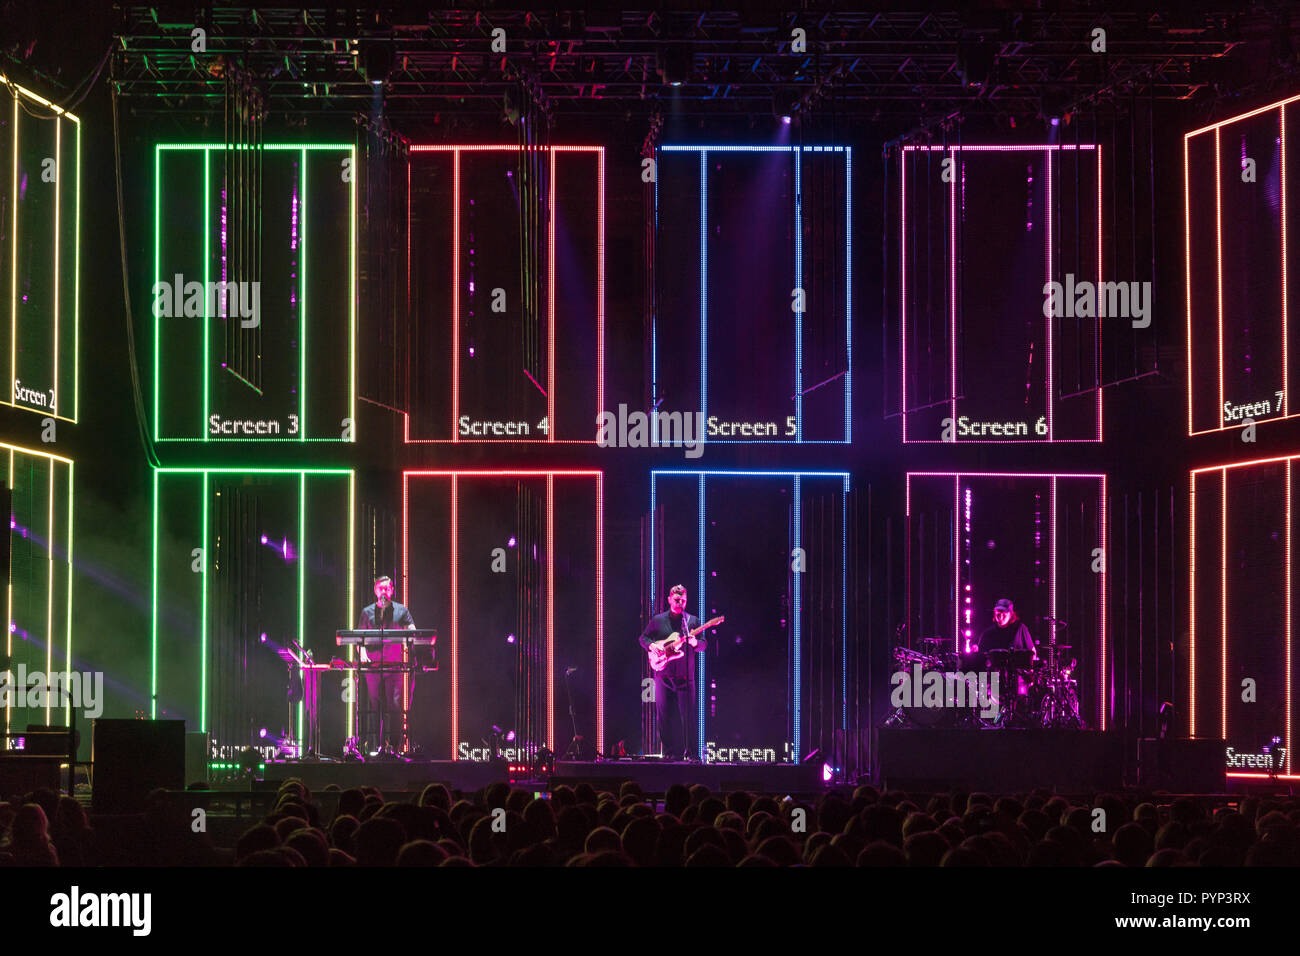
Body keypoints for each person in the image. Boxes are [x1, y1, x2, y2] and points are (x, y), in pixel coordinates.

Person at [638, 584, 707, 761]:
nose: (680, 603)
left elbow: (703, 644)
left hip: (686, 677)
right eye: (676, 600)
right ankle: (668, 753)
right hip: (662, 675)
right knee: (664, 716)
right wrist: (652, 646)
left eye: (683, 600)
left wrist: (694, 643)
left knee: (689, 717)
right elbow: (643, 638)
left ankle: (691, 753)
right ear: (669, 600)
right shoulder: (658, 620)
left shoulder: (692, 621)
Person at [357, 576, 416, 754]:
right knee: (374, 706)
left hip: (395, 666)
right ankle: (375, 747)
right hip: (373, 667)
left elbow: (412, 628)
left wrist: (409, 636)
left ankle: (395, 747)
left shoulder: (401, 610)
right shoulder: (367, 612)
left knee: (395, 706)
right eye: (380, 588)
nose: (384, 591)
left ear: (392, 590)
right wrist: (362, 652)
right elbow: (359, 637)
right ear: (375, 591)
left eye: (387, 588)